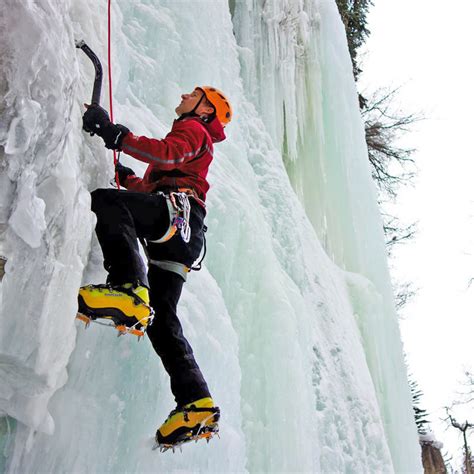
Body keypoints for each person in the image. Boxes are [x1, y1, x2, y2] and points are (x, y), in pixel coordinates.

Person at [77, 86, 232, 448]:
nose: (183, 95)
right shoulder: (194, 138)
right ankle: (196, 401)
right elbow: (154, 183)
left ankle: (128, 287)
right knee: (161, 318)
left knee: (106, 203)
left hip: (177, 216)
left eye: (194, 93)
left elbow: (168, 153)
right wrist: (129, 178)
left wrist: (117, 135)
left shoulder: (194, 130)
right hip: (183, 236)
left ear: (206, 109)